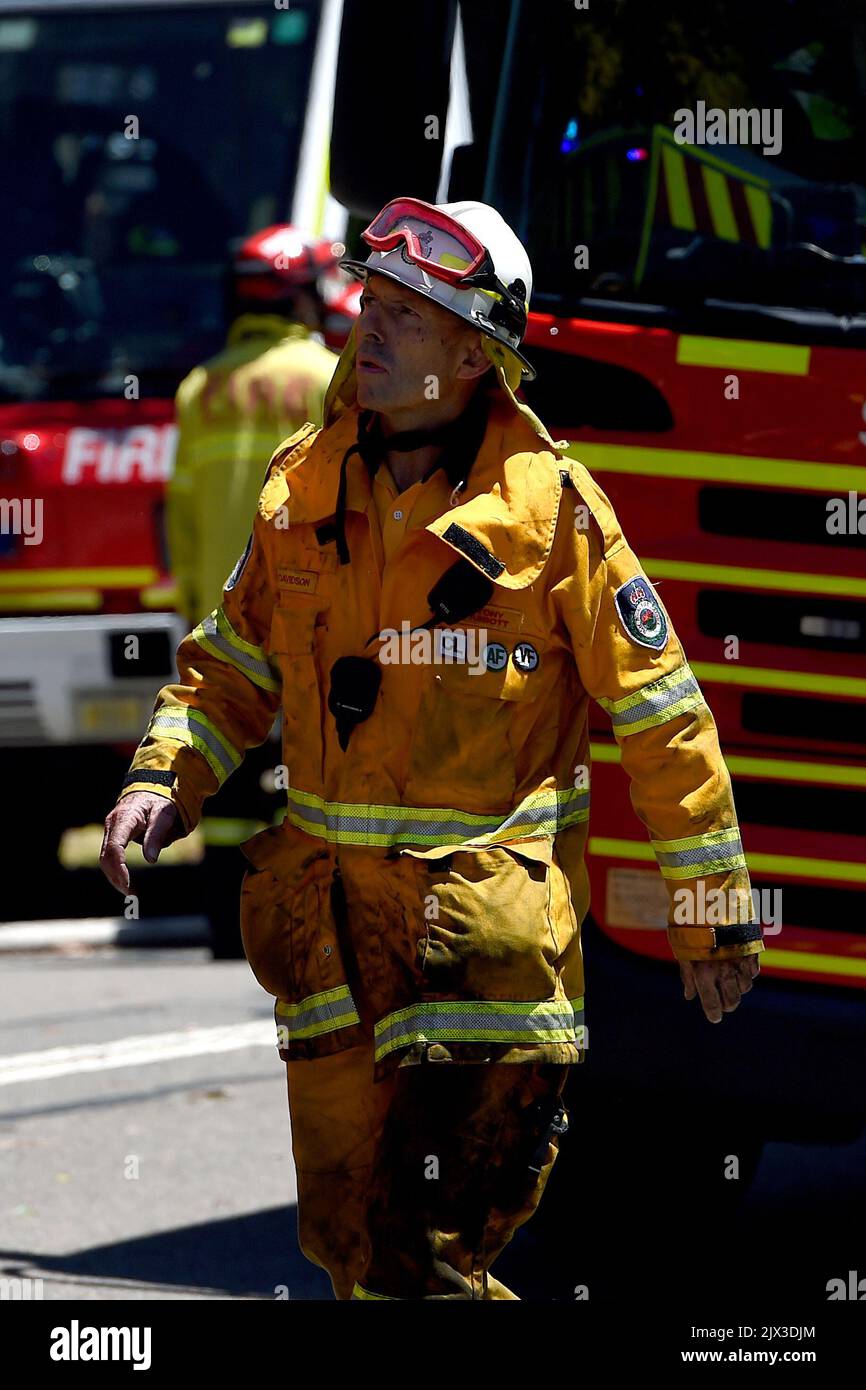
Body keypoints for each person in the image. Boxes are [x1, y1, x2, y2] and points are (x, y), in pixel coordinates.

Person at [100, 197, 764, 1300]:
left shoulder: (552, 514)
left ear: (474, 353)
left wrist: (707, 913)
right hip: (329, 957)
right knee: (354, 1257)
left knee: (429, 1260)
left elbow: (659, 715)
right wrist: (165, 777)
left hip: (483, 961)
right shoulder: (299, 492)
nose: (370, 328)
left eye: (405, 314)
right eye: (369, 302)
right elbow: (233, 667)